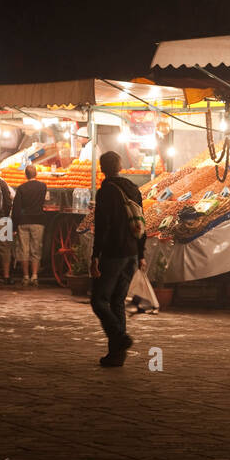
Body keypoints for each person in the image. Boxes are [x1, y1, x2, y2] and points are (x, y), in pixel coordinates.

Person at [90, 151, 146, 367]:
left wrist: (95, 255)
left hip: (114, 253)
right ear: (120, 166)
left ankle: (120, 338)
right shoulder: (133, 189)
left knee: (99, 300)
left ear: (102, 168)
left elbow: (103, 227)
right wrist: (141, 254)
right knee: (117, 302)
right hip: (131, 252)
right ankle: (116, 356)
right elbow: (142, 220)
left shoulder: (106, 192)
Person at [12, 164, 47, 287]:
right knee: (36, 249)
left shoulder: (21, 188)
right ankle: (35, 276)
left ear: (25, 175)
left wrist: (14, 226)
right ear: (36, 174)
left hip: (23, 222)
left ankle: (25, 276)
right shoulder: (43, 186)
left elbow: (16, 209)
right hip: (38, 221)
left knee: (24, 250)